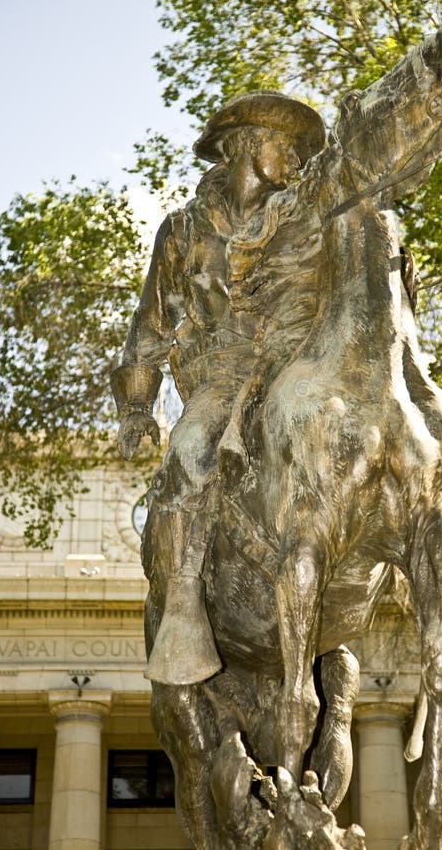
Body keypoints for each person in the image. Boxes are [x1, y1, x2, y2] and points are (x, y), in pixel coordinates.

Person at [111, 92, 326, 685]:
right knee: (189, 452)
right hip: (222, 373)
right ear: (248, 145)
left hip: (299, 364)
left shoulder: (307, 214)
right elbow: (151, 324)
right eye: (286, 144)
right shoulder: (182, 231)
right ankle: (182, 598)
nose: (297, 158)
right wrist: (136, 403)